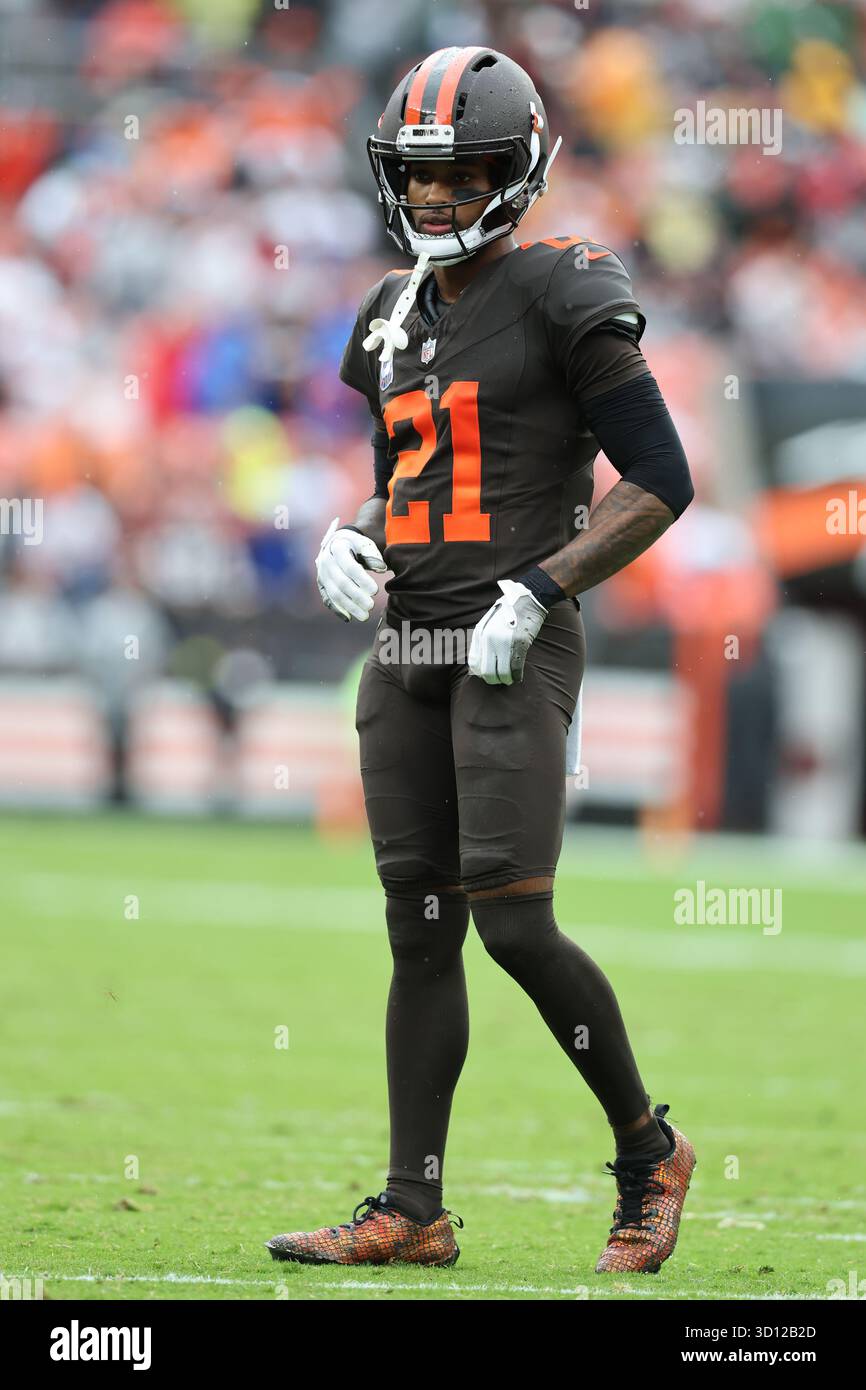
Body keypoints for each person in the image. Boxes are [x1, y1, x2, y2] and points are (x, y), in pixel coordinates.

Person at [267, 46, 696, 1275]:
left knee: (512, 925)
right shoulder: (387, 310)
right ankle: (414, 1207)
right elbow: (407, 476)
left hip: (511, 639)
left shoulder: (565, 286)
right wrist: (350, 536)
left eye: (462, 176)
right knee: (417, 925)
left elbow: (658, 477)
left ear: (518, 173)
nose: (438, 198)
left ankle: (646, 1150)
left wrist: (544, 583)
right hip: (407, 640)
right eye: (420, 176)